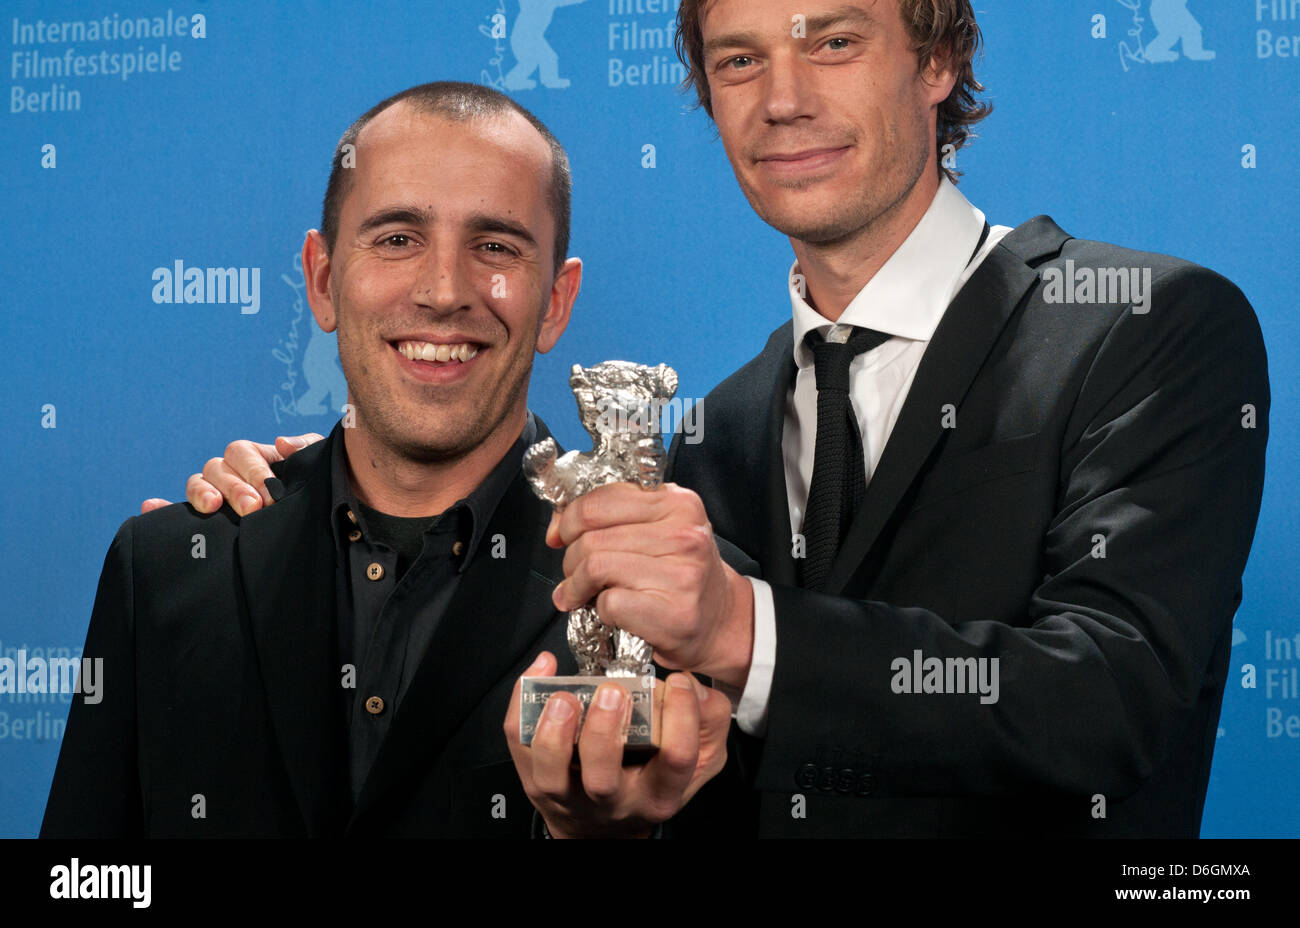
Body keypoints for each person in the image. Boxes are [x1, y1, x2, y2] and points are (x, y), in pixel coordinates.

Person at [171, 0, 1270, 837]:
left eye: (831, 42)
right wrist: (333, 499)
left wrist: (746, 630)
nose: (780, 98)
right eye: (739, 60)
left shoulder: (1139, 326)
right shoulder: (713, 438)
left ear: (937, 60)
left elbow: (1112, 699)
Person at [43, 81, 732, 838]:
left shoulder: (674, 601)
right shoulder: (168, 568)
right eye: (397, 238)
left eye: (495, 246)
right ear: (324, 279)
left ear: (556, 303)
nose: (443, 292)